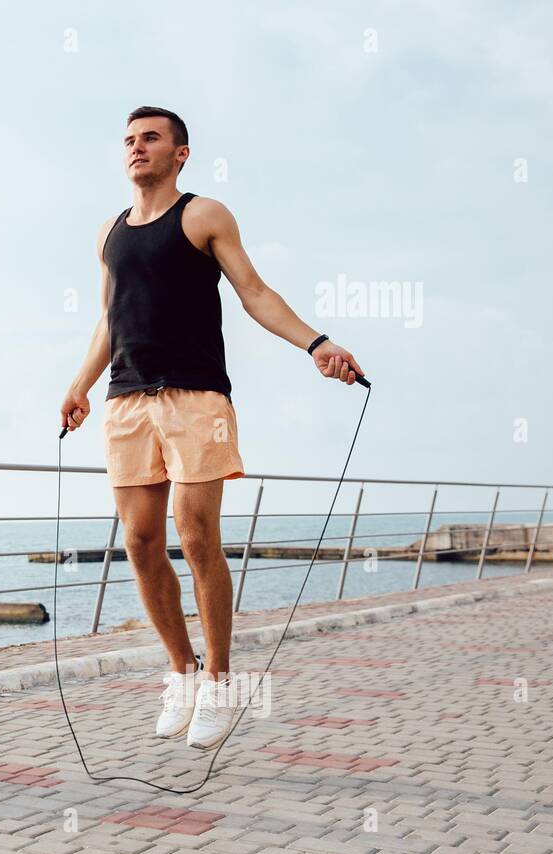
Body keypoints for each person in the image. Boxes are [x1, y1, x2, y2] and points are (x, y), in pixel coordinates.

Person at [60, 106, 364, 750]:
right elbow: (109, 320)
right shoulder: (109, 234)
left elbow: (254, 291)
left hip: (197, 400)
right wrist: (79, 386)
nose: (137, 149)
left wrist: (317, 344)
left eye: (150, 139)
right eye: (129, 141)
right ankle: (183, 673)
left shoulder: (203, 215)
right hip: (127, 402)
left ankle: (222, 683)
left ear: (181, 153)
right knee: (141, 544)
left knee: (197, 539)